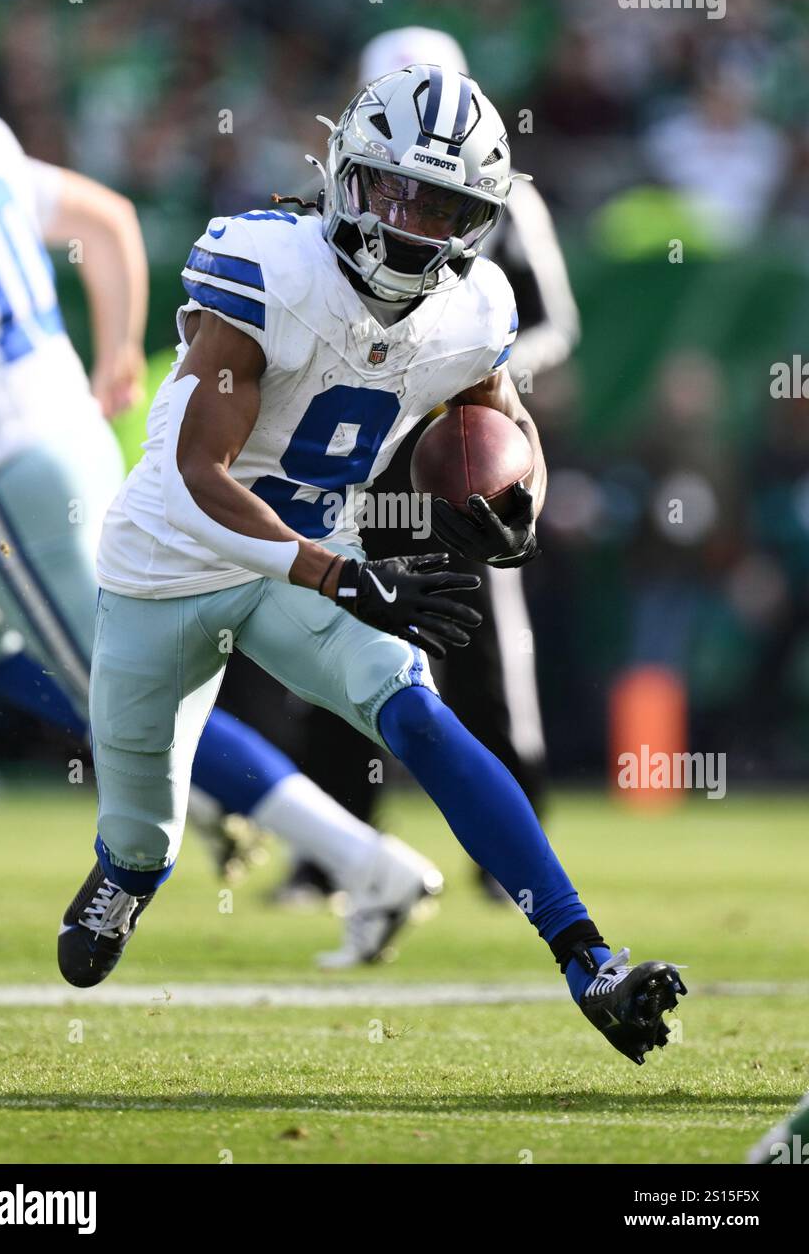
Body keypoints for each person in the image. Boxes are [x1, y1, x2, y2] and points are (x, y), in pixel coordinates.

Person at [58, 65, 686, 1064]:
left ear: (478, 220)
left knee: (419, 714)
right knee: (142, 829)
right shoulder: (268, 266)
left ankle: (587, 956)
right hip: (171, 552)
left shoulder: (473, 307)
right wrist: (341, 576)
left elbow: (505, 420)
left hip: (312, 554)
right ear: (344, 174)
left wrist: (521, 506)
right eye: (393, 189)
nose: (409, 220)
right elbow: (195, 474)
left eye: (441, 204)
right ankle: (129, 873)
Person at [0, 100, 441, 971]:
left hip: (3, 467)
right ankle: (217, 804)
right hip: (64, 432)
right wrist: (115, 357)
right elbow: (107, 220)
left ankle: (364, 863)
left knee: (134, 688)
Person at [284, 27, 580, 903]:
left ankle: (509, 852)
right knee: (340, 637)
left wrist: (482, 382)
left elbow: (551, 325)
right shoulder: (327, 195)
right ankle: (334, 847)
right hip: (359, 450)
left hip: (457, 440)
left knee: (487, 643)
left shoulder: (502, 204)